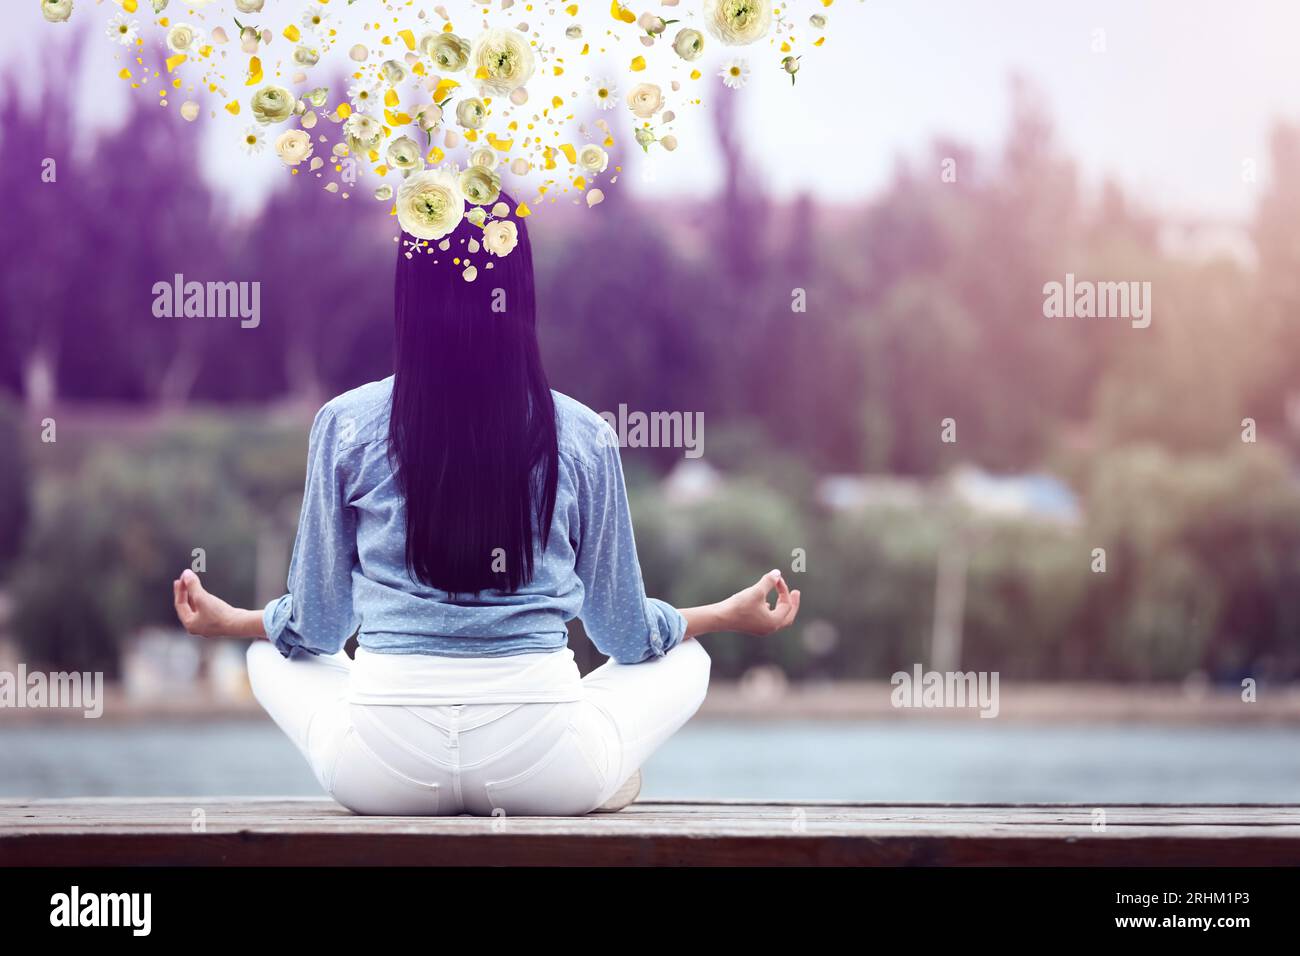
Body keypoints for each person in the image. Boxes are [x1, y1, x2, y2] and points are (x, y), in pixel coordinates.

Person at [171, 193, 801, 816]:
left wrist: (232, 623)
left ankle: (569, 761)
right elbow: (626, 636)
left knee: (268, 653)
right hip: (545, 765)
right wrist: (723, 613)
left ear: (408, 292)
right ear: (521, 291)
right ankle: (600, 768)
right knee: (684, 658)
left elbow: (319, 629)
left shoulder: (344, 425)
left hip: (381, 770)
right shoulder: (580, 434)